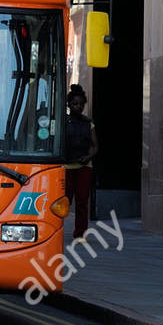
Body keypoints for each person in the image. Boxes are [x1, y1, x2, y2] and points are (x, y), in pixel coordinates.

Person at [64, 83, 98, 238]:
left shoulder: (88, 123)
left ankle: (80, 233)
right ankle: (55, 231)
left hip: (84, 166)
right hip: (66, 166)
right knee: (64, 201)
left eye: (81, 104)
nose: (78, 107)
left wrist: (89, 156)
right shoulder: (63, 123)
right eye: (75, 104)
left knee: (82, 201)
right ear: (69, 104)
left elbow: (95, 146)